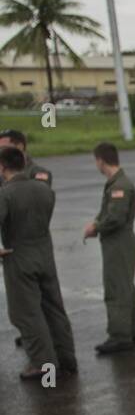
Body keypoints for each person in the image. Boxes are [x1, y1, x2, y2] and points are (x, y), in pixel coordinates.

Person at [0, 145, 75, 380]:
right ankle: (66, 357)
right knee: (54, 308)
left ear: (2, 167)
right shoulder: (44, 190)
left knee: (26, 312)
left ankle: (43, 363)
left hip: (18, 256)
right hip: (45, 254)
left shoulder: (6, 193)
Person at [82, 142, 135, 354]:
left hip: (119, 242)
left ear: (101, 160)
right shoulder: (116, 183)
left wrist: (95, 227)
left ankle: (119, 335)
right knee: (125, 287)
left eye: (96, 161)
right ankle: (134, 331)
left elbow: (115, 218)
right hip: (119, 242)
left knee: (116, 289)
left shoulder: (119, 186)